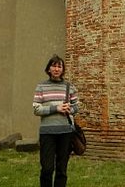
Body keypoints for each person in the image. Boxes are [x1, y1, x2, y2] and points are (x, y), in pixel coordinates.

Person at [33, 54, 79, 187]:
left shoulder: (69, 87)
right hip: (47, 133)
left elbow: (77, 107)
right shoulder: (41, 86)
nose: (56, 69)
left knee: (61, 169)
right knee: (47, 169)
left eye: (59, 66)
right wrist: (56, 108)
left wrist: (69, 109)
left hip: (65, 132)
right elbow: (36, 109)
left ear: (63, 69)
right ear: (48, 69)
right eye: (54, 66)